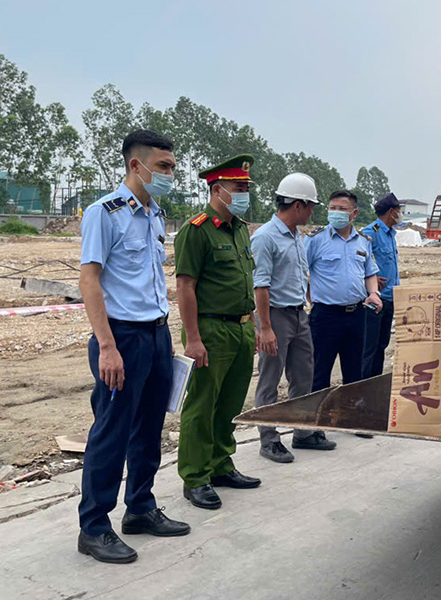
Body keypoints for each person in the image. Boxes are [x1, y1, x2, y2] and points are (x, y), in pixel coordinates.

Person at [76, 129, 190, 564]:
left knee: (149, 428)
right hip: (120, 338)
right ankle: (94, 527)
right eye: (163, 167)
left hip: (156, 334)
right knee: (111, 433)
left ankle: (140, 508)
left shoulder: (155, 214)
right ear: (135, 165)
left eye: (172, 167)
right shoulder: (104, 213)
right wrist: (106, 346)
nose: (169, 175)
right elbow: (89, 280)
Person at [174, 154, 262, 510]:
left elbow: (245, 281)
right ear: (216, 189)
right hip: (209, 330)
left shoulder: (240, 228)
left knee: (229, 402)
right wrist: (193, 339)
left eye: (245, 188)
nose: (243, 194)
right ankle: (195, 476)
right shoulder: (196, 230)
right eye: (238, 188)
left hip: (240, 328)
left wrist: (253, 325)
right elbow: (185, 287)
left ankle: (222, 464)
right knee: (202, 405)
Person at [252, 173, 332, 463]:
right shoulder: (265, 237)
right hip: (276, 316)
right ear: (297, 205)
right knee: (270, 379)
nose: (312, 212)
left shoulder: (297, 236)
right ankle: (269, 439)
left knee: (303, 376)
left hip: (299, 315)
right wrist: (266, 328)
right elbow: (260, 286)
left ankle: (303, 432)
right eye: (310, 206)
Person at [307, 190, 382, 404]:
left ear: (354, 213)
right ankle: (317, 424)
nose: (336, 213)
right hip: (325, 316)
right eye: (332, 208)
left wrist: (374, 293)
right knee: (319, 371)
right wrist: (312, 298)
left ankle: (354, 417)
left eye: (342, 209)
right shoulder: (316, 239)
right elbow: (300, 271)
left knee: (355, 371)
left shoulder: (363, 241)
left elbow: (370, 273)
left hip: (356, 315)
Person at [361, 192, 402, 379]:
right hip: (375, 299)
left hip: (390, 298)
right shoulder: (371, 232)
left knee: (382, 344)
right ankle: (362, 385)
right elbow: (359, 260)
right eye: (399, 211)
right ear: (392, 212)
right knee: (369, 347)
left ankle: (374, 382)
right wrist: (370, 277)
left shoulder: (391, 234)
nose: (401, 215)